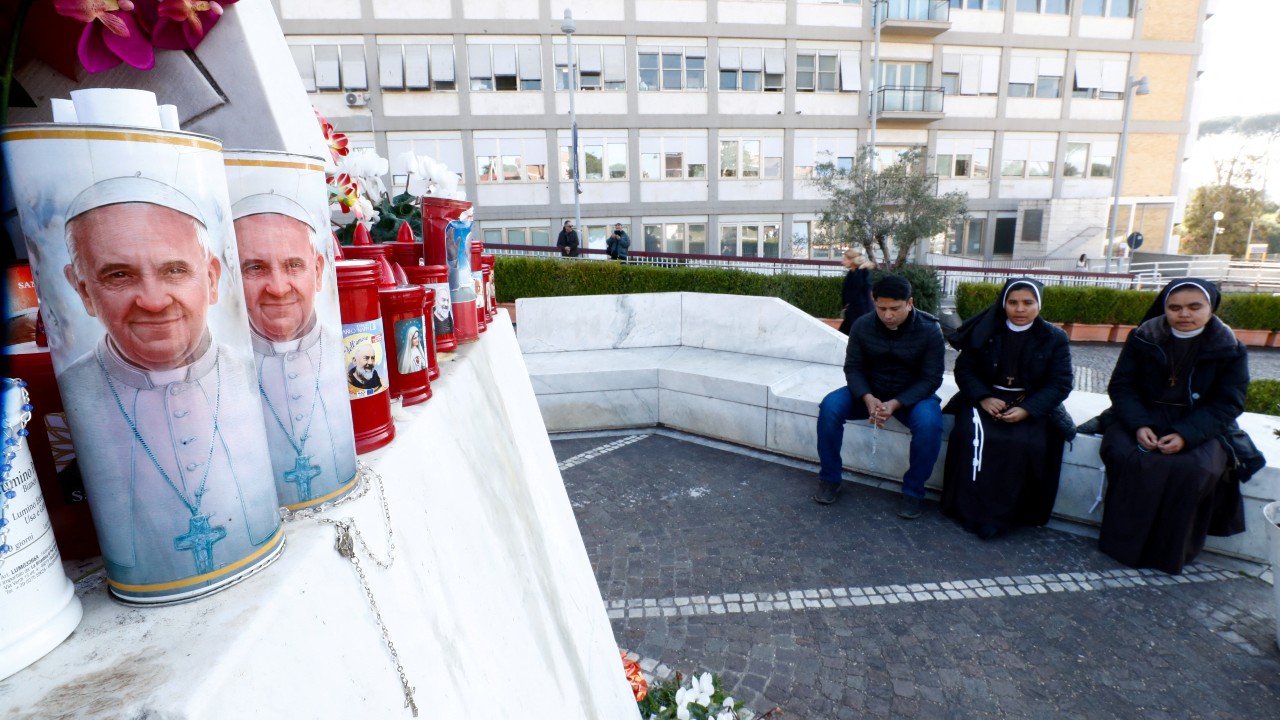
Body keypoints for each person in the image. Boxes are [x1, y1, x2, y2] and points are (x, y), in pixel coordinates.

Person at [57, 178, 280, 590]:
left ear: (211, 278)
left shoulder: (251, 371)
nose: (154, 301)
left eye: (175, 270)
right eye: (119, 275)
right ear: (85, 291)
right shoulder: (69, 393)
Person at [1096, 278, 1257, 574]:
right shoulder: (1144, 338)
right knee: (1126, 456)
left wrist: (1185, 435)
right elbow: (1122, 386)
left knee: (1194, 468)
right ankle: (1123, 545)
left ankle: (1168, 552)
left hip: (1199, 422)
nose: (1184, 314)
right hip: (1141, 415)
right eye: (1175, 307)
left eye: (1194, 306)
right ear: (1165, 309)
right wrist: (1138, 425)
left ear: (1210, 308)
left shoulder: (1229, 347)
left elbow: (1229, 403)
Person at [232, 197, 358, 507]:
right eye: (255, 268)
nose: (277, 287)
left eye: (293, 265)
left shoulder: (346, 349)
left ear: (317, 271)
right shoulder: (225, 370)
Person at [940, 279, 1075, 539]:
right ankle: (969, 511)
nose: (1020, 309)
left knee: (1024, 443)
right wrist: (983, 397)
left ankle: (1006, 516)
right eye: (1013, 302)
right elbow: (964, 369)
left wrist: (1028, 409)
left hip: (1030, 401)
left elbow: (1061, 382)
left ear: (1039, 304)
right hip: (984, 398)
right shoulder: (987, 330)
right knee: (971, 436)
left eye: (1028, 303)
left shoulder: (1054, 337)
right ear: (1004, 304)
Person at [814, 276, 945, 519]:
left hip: (912, 397)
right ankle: (830, 478)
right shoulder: (863, 326)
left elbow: (931, 379)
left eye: (894, 308)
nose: (887, 315)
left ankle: (913, 491)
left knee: (930, 424)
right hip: (869, 392)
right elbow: (853, 368)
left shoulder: (929, 329)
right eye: (881, 308)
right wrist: (867, 397)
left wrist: (896, 403)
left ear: (909, 303)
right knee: (830, 407)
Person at [836, 249, 875, 335]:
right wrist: (845, 305)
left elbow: (862, 288)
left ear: (852, 260)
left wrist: (860, 268)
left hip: (862, 311)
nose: (843, 262)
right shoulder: (851, 273)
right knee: (843, 335)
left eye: (845, 259)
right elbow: (846, 291)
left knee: (855, 335)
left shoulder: (864, 272)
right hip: (851, 312)